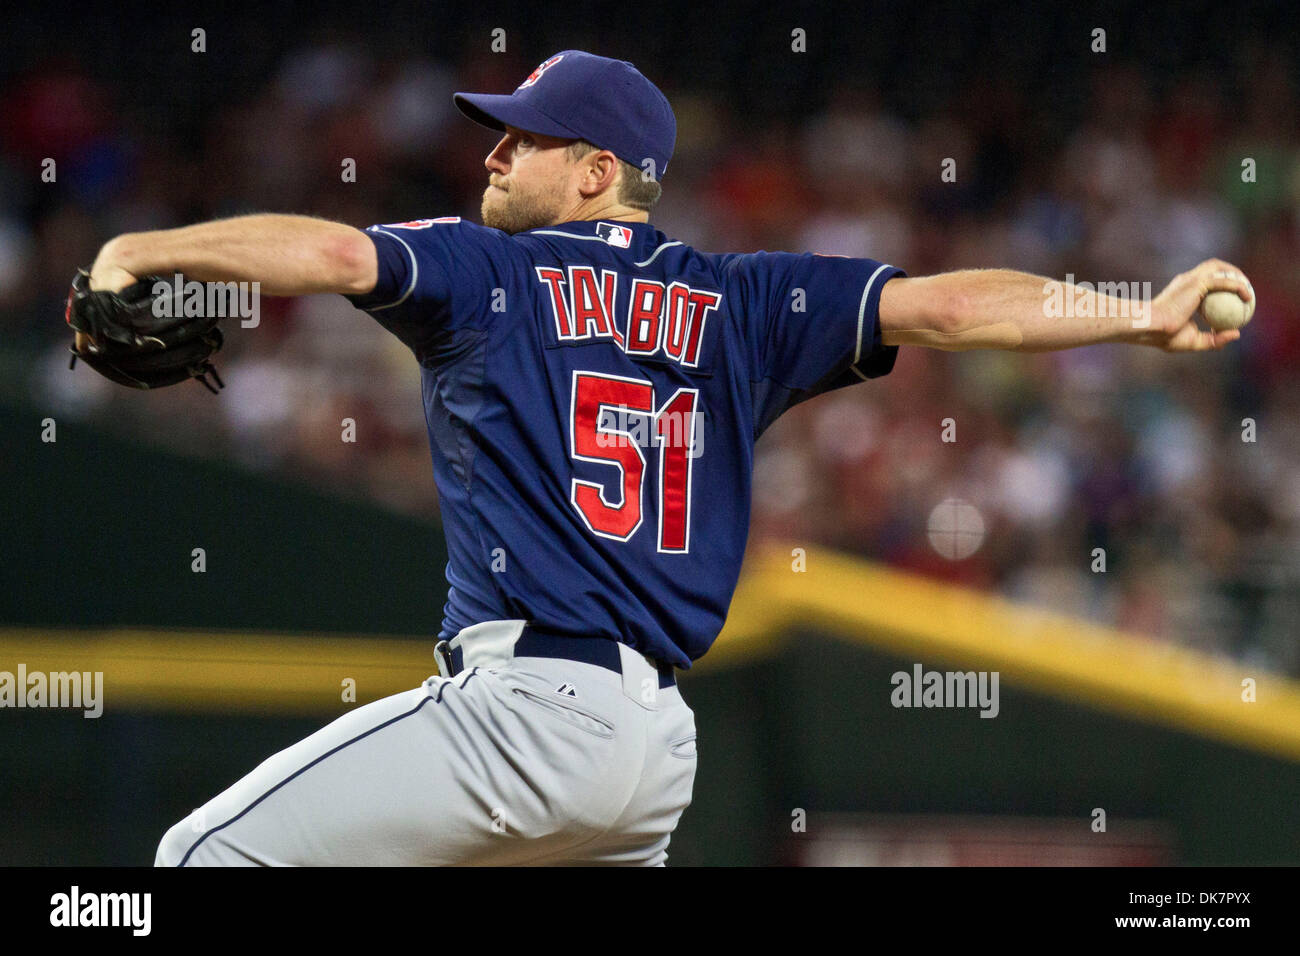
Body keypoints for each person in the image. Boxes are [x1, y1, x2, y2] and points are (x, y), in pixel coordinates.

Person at [78, 50, 1249, 866]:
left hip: (527, 707)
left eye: (522, 135)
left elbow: (333, 251)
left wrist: (143, 248)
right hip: (653, 756)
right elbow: (946, 306)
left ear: (594, 170)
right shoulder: (742, 299)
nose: (491, 152)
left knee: (199, 856)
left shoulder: (493, 272)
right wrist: (1135, 310)